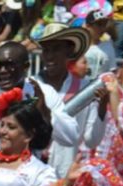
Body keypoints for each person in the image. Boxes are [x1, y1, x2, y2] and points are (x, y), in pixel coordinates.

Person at [0, 42, 79, 178]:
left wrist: (44, 111)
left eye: (9, 65)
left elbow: (71, 137)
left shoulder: (44, 94)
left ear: (26, 67)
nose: (2, 71)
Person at [35, 23, 94, 176]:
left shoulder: (85, 89)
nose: (50, 55)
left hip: (67, 173)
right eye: (46, 50)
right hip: (32, 174)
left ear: (69, 50)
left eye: (56, 49)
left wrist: (101, 110)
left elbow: (92, 138)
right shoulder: (31, 86)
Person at [83, 4, 117, 79]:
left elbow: (112, 71)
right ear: (88, 26)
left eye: (104, 25)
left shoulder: (108, 45)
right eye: (99, 25)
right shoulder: (79, 46)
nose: (102, 29)